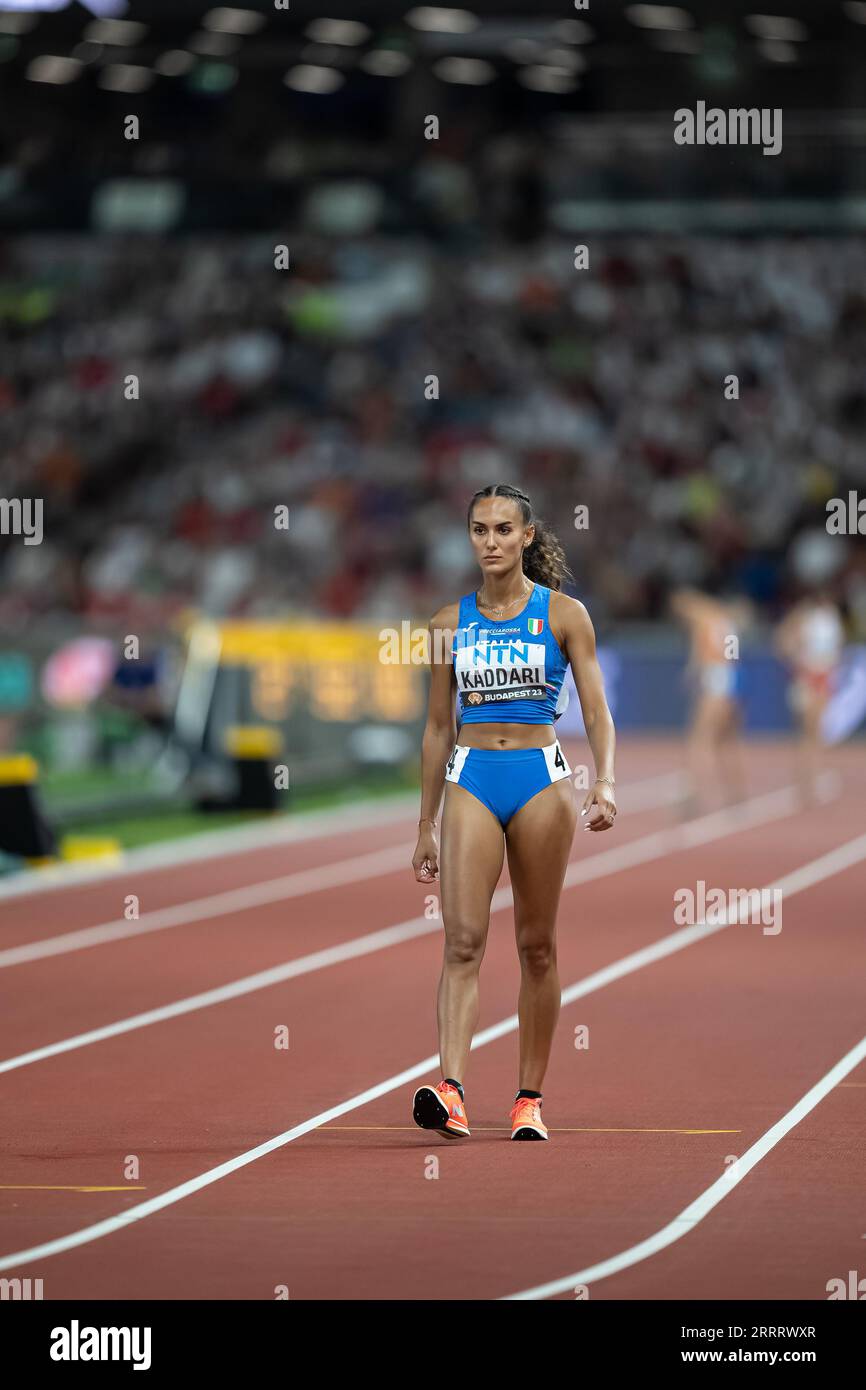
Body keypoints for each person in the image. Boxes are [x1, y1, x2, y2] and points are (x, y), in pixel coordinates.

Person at [410, 484, 616, 1142]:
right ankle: (452, 1090)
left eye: (503, 530)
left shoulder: (565, 616)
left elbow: (597, 711)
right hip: (472, 775)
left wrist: (605, 783)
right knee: (463, 941)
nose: (490, 542)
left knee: (536, 945)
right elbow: (438, 729)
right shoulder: (448, 624)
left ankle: (529, 1098)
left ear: (527, 536)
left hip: (540, 781)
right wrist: (425, 823)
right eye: (479, 530)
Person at [669, 586, 749, 814]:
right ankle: (737, 793)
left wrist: (692, 676)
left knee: (699, 740)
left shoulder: (701, 620)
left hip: (716, 677)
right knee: (728, 740)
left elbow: (699, 657)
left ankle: (693, 797)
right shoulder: (724, 616)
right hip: (734, 676)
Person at [775, 589, 845, 800]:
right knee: (807, 731)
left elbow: (836, 650)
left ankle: (812, 778)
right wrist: (798, 665)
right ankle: (805, 781)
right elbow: (783, 643)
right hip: (809, 677)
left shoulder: (831, 619)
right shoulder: (805, 620)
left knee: (815, 731)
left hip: (823, 676)